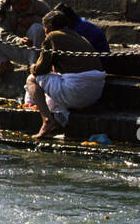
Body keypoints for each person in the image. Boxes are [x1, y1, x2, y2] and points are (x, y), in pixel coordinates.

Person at [27, 9, 107, 140]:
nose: (44, 32)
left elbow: (40, 70)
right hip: (95, 94)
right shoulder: (78, 36)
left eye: (44, 29)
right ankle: (61, 114)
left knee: (32, 79)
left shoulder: (52, 37)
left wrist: (32, 67)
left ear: (50, 27)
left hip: (76, 92)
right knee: (56, 77)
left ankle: (47, 120)